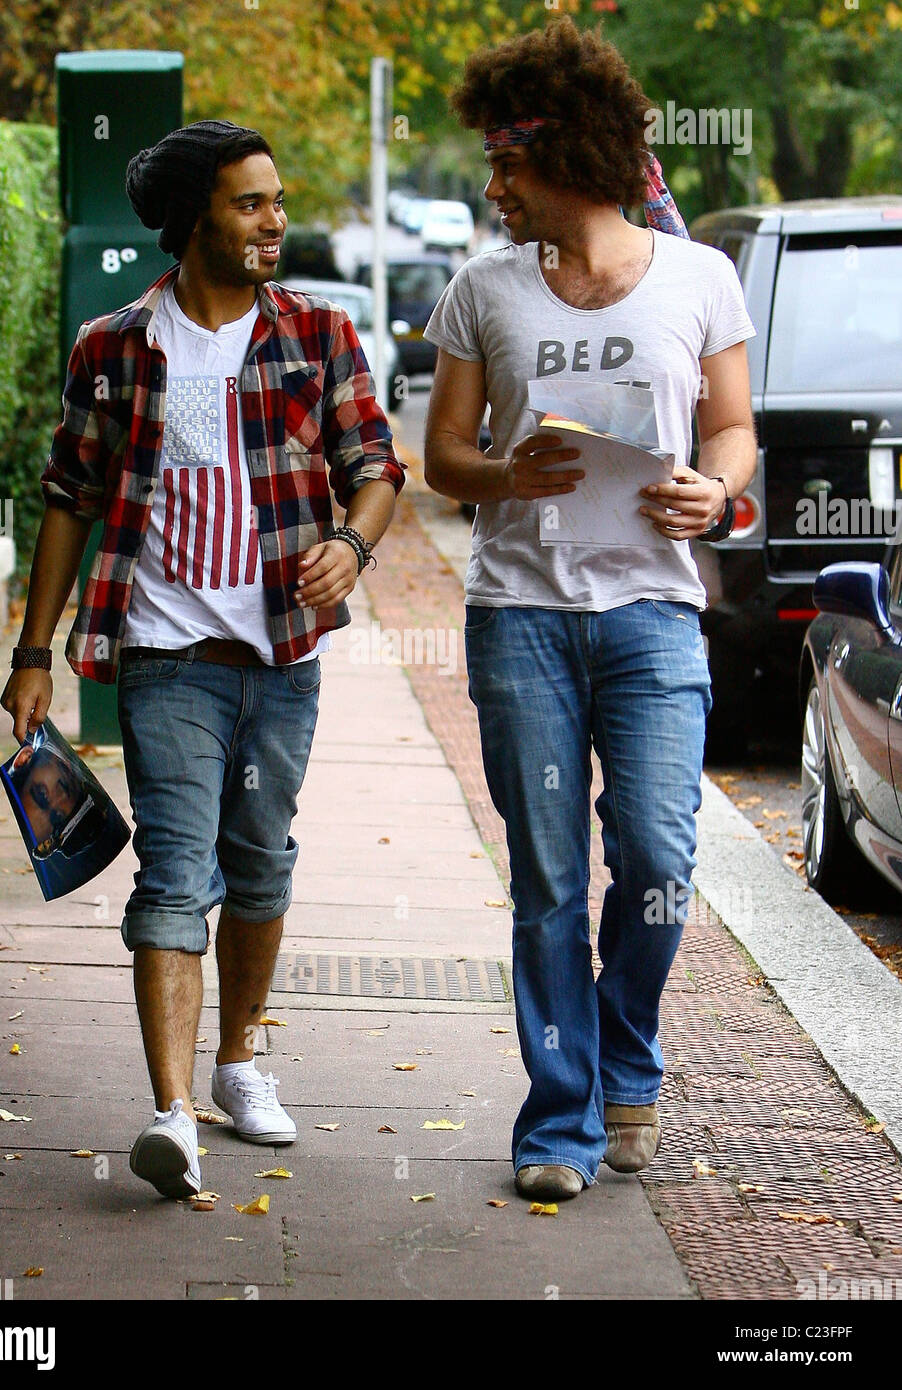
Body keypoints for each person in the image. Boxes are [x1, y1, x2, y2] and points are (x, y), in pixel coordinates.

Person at [0, 120, 405, 1199]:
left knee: (260, 860)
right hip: (163, 650)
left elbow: (376, 462)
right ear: (191, 223)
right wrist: (34, 650)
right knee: (177, 872)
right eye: (249, 203)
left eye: (276, 199)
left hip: (279, 654)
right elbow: (69, 499)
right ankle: (170, 1112)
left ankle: (238, 1064)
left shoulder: (318, 331)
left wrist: (349, 543)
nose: (274, 219)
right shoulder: (116, 347)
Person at [423, 18, 756, 1203]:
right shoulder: (482, 289)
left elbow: (730, 429)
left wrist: (710, 487)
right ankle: (558, 1121)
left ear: (564, 150)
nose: (491, 184)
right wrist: (504, 474)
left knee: (659, 856)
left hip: (652, 616)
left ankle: (628, 1052)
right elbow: (442, 459)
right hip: (520, 615)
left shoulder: (697, 278)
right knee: (549, 879)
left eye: (505, 161)